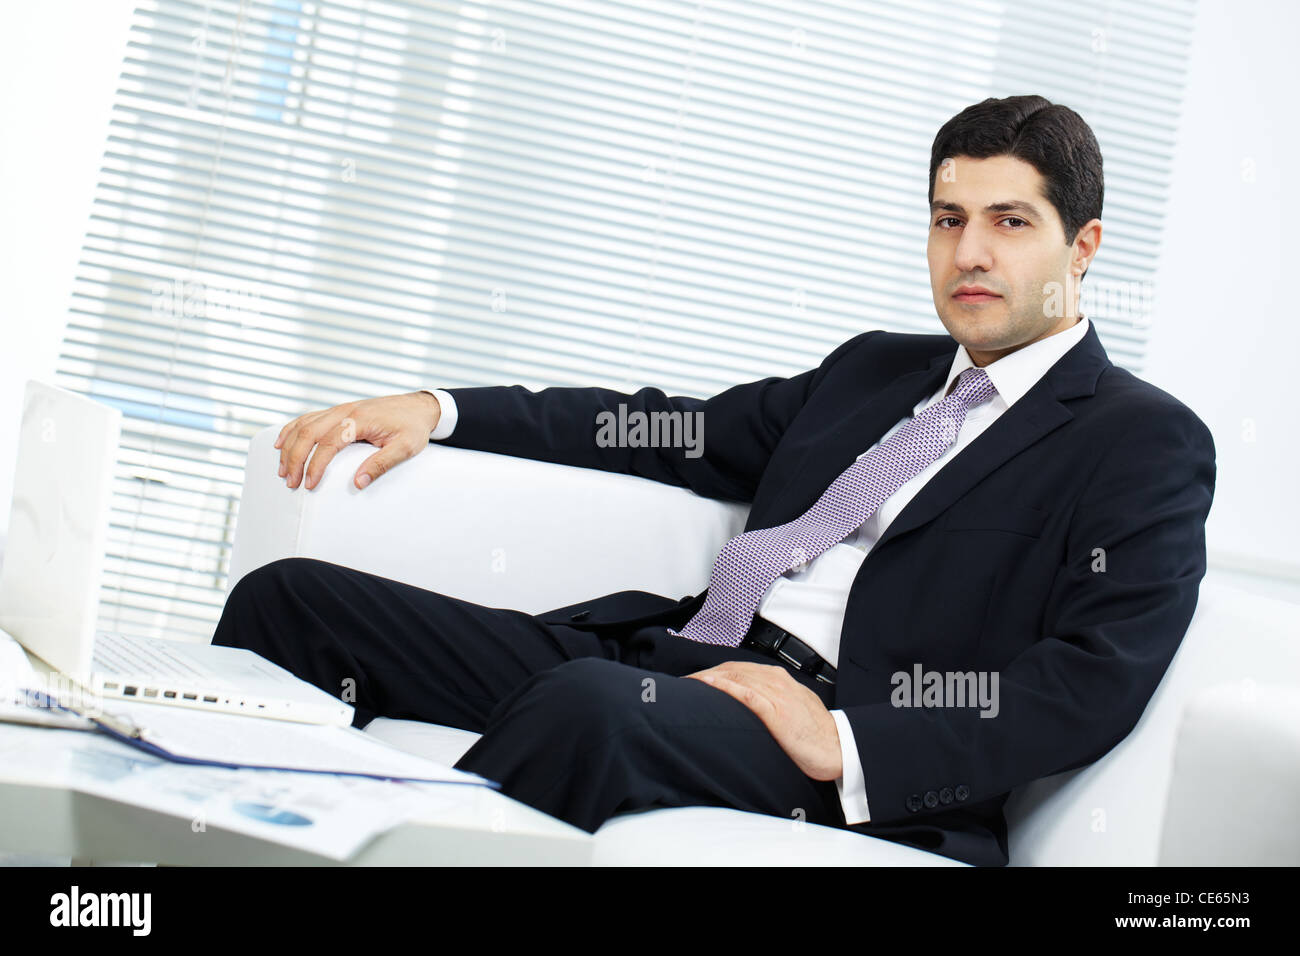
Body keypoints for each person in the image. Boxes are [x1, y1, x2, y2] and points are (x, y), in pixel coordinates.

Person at [213, 95, 1216, 866]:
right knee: (294, 601)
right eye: (947, 218)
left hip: (826, 738)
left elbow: (1090, 676)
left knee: (591, 709)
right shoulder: (874, 370)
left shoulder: (1140, 441)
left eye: (1009, 221)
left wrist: (842, 734)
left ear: (1080, 246)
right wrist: (445, 408)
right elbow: (664, 426)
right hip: (673, 659)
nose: (969, 252)